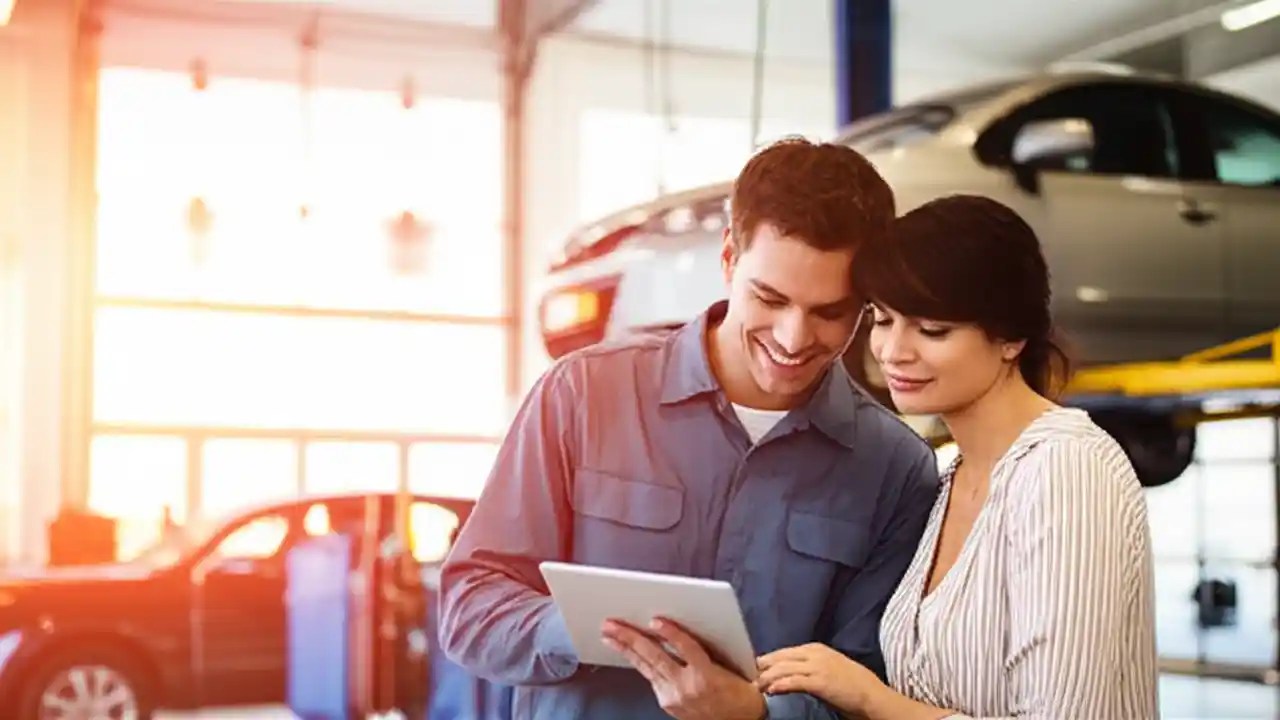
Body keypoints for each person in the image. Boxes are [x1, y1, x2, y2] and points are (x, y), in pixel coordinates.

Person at [437, 137, 941, 720]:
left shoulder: (895, 469)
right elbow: (469, 608)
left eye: (830, 312)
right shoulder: (583, 395)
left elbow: (868, 689)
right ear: (729, 259)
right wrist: (582, 626)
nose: (793, 338)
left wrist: (755, 713)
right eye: (769, 298)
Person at [752, 195, 1159, 719]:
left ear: (1010, 338)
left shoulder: (1065, 469)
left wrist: (872, 700)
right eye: (882, 319)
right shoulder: (950, 477)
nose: (893, 350)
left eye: (932, 330)